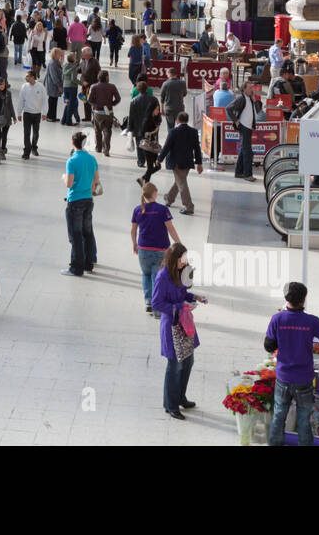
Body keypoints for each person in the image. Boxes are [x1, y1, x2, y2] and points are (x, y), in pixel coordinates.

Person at [265, 281, 319, 445]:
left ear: (286, 298)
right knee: (304, 420)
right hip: (304, 379)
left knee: (278, 415)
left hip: (283, 377)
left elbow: (268, 346)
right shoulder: (311, 321)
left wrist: (283, 337)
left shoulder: (277, 319)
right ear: (303, 300)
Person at [152, 243, 206, 418]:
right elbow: (156, 303)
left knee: (188, 361)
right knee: (175, 365)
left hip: (184, 324)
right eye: (182, 259)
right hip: (172, 326)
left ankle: (181, 397)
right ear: (174, 259)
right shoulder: (162, 277)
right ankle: (171, 404)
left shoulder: (180, 273)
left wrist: (195, 297)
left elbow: (183, 294)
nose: (185, 262)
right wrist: (179, 306)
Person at [131, 182, 180, 311]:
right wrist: (178, 243)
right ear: (154, 193)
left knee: (146, 275)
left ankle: (148, 301)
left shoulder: (137, 210)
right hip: (161, 250)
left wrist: (134, 244)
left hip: (143, 249)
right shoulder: (162, 210)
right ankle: (157, 304)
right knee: (157, 278)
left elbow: (133, 230)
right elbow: (170, 229)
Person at [61, 131, 100, 276]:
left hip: (75, 200)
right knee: (87, 232)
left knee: (75, 235)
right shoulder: (92, 159)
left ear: (73, 143)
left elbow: (69, 184)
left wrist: (64, 177)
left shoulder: (71, 161)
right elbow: (96, 180)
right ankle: (88, 264)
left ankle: (76, 267)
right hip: (88, 200)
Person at [156, 111, 203, 215]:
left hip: (176, 162)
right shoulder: (193, 132)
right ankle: (169, 198)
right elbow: (197, 149)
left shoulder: (173, 132)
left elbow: (166, 147)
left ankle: (189, 206)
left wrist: (159, 159)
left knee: (181, 183)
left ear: (178, 120)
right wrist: (199, 163)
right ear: (187, 120)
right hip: (187, 162)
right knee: (180, 181)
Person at [227, 83, 260, 182]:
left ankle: (239, 172)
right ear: (244, 89)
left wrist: (254, 99)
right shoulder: (241, 98)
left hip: (248, 127)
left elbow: (258, 111)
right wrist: (235, 120)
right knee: (247, 152)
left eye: (252, 88)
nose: (252, 89)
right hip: (244, 127)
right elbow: (229, 108)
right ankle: (247, 174)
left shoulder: (249, 98)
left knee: (243, 150)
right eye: (250, 88)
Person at [87, 69, 121, 156]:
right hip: (108, 112)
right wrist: (111, 104)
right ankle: (106, 149)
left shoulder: (93, 86)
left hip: (97, 112)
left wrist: (95, 105)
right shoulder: (112, 87)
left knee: (97, 130)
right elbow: (118, 99)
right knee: (107, 131)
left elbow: (89, 99)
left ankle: (98, 148)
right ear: (106, 77)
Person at [17, 70, 47, 159]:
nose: (25, 78)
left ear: (33, 77)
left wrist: (44, 113)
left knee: (36, 133)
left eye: (27, 76)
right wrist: (19, 113)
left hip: (37, 114)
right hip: (27, 113)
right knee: (26, 133)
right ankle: (26, 151)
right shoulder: (24, 86)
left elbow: (45, 100)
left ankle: (34, 147)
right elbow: (20, 100)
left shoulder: (41, 87)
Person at [128, 81, 158, 167]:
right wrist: (158, 124)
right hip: (151, 126)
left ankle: (141, 161)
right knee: (151, 143)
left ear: (138, 89)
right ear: (147, 89)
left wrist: (130, 129)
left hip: (138, 127)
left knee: (139, 144)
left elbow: (131, 116)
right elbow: (157, 113)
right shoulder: (154, 99)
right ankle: (150, 161)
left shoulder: (133, 101)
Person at [158, 67, 188, 139]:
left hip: (169, 109)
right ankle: (179, 141)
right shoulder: (182, 83)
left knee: (170, 127)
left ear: (169, 74)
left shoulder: (165, 84)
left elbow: (162, 98)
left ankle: (171, 141)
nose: (167, 75)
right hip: (179, 108)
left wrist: (161, 110)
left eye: (167, 74)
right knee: (180, 127)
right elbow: (184, 94)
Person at [79, 46, 101, 123]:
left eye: (82, 53)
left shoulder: (95, 62)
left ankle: (95, 117)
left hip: (93, 85)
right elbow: (79, 71)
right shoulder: (83, 61)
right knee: (85, 100)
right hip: (84, 85)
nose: (81, 54)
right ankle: (87, 116)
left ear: (88, 54)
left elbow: (99, 73)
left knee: (93, 101)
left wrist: (98, 83)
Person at [61, 51, 81, 126]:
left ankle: (63, 120)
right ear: (73, 59)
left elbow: (62, 77)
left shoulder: (65, 66)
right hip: (72, 87)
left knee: (67, 103)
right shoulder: (74, 67)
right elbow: (73, 79)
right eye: (75, 57)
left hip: (65, 86)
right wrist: (82, 83)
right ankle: (68, 121)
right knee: (71, 105)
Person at [44, 47, 64, 122]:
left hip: (54, 85)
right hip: (52, 85)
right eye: (59, 54)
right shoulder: (53, 63)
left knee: (54, 101)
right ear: (55, 54)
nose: (61, 55)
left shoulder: (56, 62)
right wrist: (59, 86)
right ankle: (50, 116)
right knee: (52, 101)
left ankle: (53, 116)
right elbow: (54, 76)